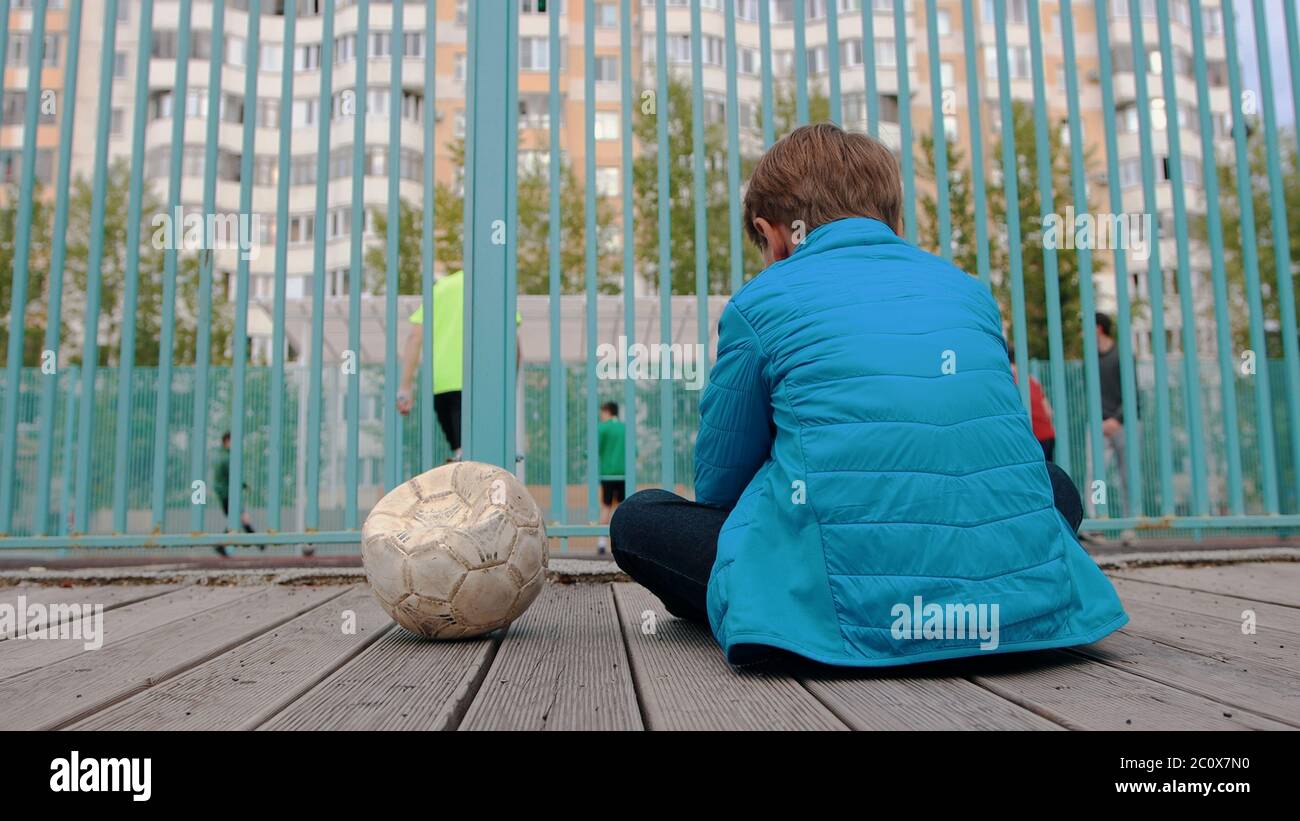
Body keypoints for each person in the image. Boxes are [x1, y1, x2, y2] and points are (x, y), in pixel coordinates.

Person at [610, 123, 1127, 668]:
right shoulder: (971, 294)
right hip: (1014, 608)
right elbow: (998, 457)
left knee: (640, 519)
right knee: (1055, 487)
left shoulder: (759, 302)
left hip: (846, 609)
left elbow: (721, 486)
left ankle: (769, 609)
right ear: (894, 219)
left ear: (775, 234)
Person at [397, 270, 521, 462]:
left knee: (464, 452)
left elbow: (415, 337)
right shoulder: (494, 288)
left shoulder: (440, 288)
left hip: (444, 384)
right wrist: (508, 386)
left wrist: (405, 387)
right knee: (485, 457)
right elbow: (513, 341)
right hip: (485, 383)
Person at [1095, 312, 1127, 510]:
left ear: (1098, 328)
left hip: (1123, 423)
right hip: (1098, 423)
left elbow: (1132, 391)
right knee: (1096, 475)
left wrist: (1117, 419)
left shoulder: (1121, 354)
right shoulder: (1091, 358)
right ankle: (1098, 518)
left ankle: (1130, 522)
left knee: (1128, 476)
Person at [213, 431, 257, 558]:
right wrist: (243, 484)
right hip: (228, 494)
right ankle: (256, 540)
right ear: (227, 441)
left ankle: (256, 540)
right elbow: (233, 476)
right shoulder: (227, 458)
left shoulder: (222, 456)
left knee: (240, 518)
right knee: (239, 519)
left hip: (225, 494)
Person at [1010, 347, 1057, 462]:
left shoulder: (1010, 381)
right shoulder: (1030, 379)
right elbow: (1049, 412)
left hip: (1034, 438)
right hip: (1048, 435)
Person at [596, 401, 626, 555]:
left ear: (607, 411)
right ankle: (622, 541)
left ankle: (601, 543)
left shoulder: (602, 427)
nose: (600, 415)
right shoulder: (624, 428)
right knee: (622, 507)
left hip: (607, 473)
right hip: (624, 473)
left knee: (606, 506)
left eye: (602, 412)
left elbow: (594, 449)